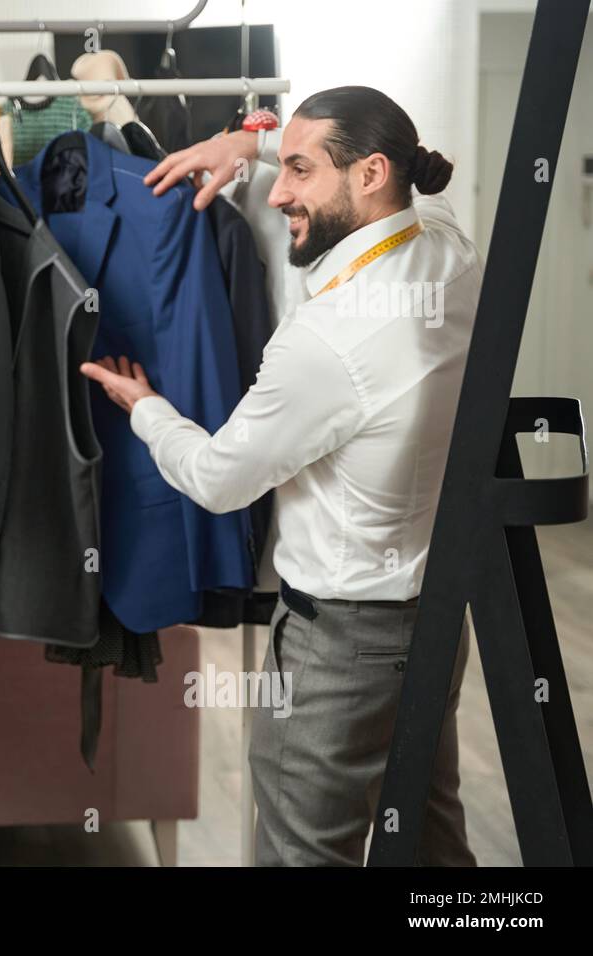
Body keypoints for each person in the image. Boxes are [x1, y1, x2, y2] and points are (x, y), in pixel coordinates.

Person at [81, 86, 480, 866]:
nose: (276, 192)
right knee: (432, 842)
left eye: (299, 171)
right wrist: (253, 142)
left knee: (303, 851)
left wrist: (145, 406)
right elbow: (358, 148)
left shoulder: (329, 342)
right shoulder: (447, 247)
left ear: (370, 174)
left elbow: (218, 477)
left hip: (341, 648)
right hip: (432, 621)